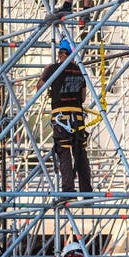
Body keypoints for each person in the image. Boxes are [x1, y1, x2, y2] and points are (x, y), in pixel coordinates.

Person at [37, 38, 92, 194]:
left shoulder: (53, 68)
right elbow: (82, 97)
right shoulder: (79, 70)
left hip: (61, 117)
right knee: (80, 152)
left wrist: (49, 80)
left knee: (64, 151)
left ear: (60, 53)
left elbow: (39, 88)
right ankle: (86, 191)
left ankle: (68, 191)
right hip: (77, 116)